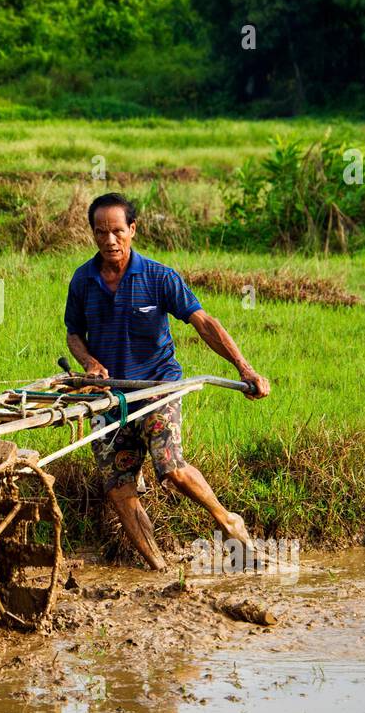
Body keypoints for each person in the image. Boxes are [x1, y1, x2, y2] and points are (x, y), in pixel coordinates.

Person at [63, 192, 270, 569]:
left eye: (117, 231)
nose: (110, 240)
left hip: (159, 389)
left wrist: (246, 368)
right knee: (120, 491)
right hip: (109, 398)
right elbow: (73, 333)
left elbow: (204, 323)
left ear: (133, 231)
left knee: (170, 468)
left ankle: (226, 519)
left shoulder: (159, 277)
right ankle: (158, 568)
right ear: (92, 233)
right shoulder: (83, 280)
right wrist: (89, 361)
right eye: (100, 232)